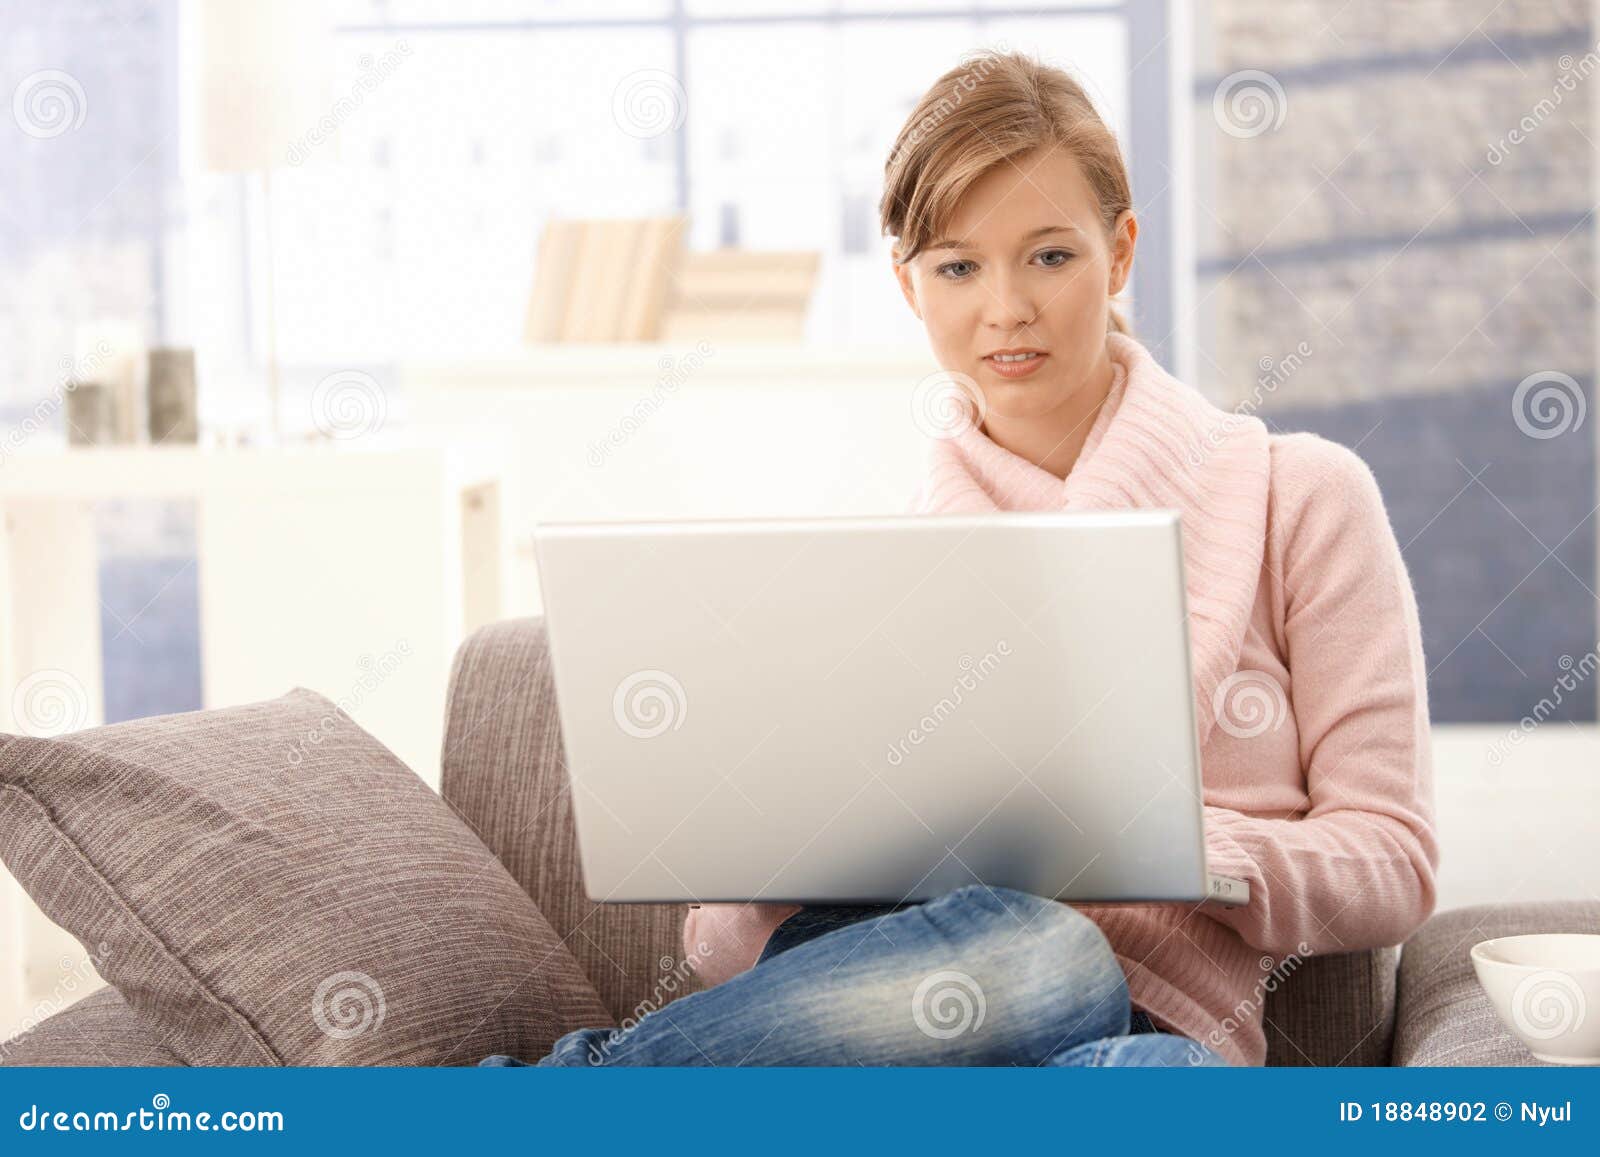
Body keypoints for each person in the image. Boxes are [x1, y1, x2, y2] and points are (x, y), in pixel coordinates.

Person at [481, 47, 1438, 1069]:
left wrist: (1175, 848)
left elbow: (1393, 859)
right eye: (956, 266)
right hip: (890, 991)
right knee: (1043, 950)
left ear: (1119, 254)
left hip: (1148, 1029)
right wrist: (767, 855)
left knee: (1167, 1077)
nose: (1006, 307)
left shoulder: (1301, 494)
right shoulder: (887, 563)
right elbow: (723, 955)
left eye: (1050, 256)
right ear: (908, 285)